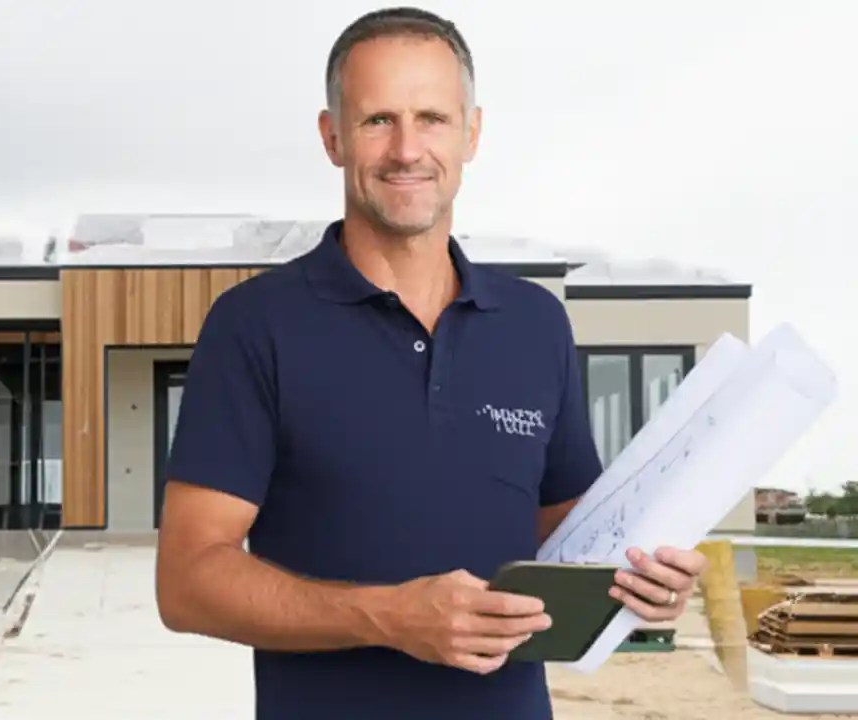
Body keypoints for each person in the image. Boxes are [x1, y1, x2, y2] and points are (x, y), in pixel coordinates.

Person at [154, 7, 709, 719]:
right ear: (332, 137)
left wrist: (644, 584)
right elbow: (188, 582)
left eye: (433, 119)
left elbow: (575, 549)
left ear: (472, 132)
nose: (407, 149)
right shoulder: (256, 325)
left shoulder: (535, 323)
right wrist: (386, 615)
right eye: (377, 120)